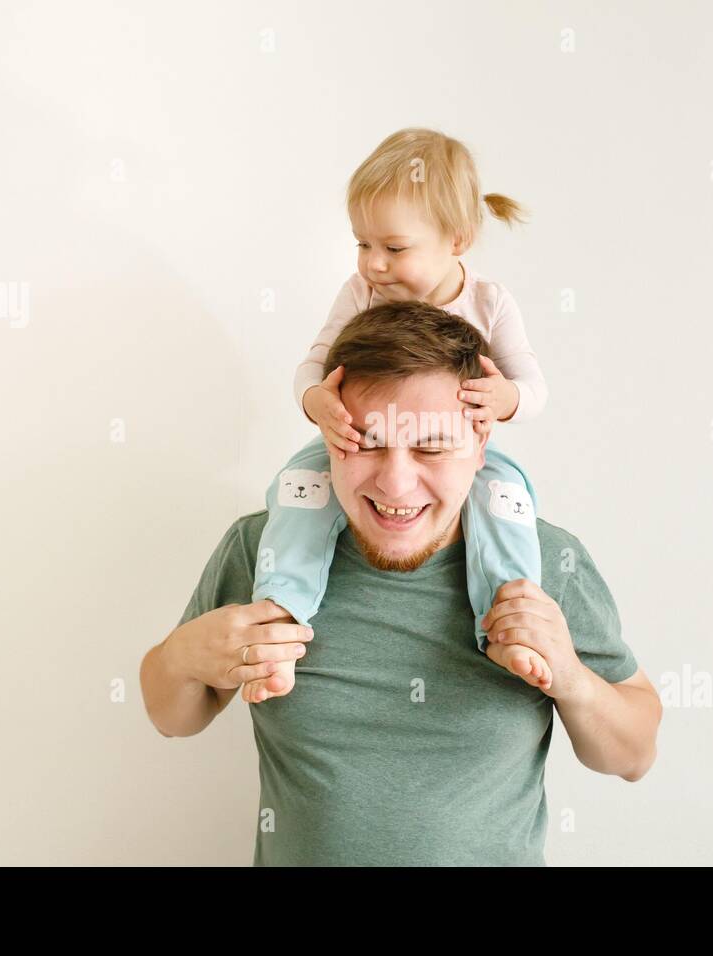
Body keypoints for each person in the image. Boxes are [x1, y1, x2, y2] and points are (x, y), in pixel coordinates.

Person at [139, 301, 663, 866]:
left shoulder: (547, 562)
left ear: (480, 447)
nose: (395, 482)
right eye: (365, 443)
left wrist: (571, 679)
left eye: (431, 447)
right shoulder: (261, 551)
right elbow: (174, 718)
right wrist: (182, 658)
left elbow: (633, 756)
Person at [248, 127, 552, 701]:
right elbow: (312, 366)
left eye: (393, 247)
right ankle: (282, 615)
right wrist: (317, 401)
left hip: (457, 456)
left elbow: (533, 387)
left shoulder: (489, 302)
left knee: (507, 505)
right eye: (362, 245)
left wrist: (506, 399)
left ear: (457, 239)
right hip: (357, 439)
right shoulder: (360, 292)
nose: (374, 265)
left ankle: (511, 620)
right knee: (299, 489)